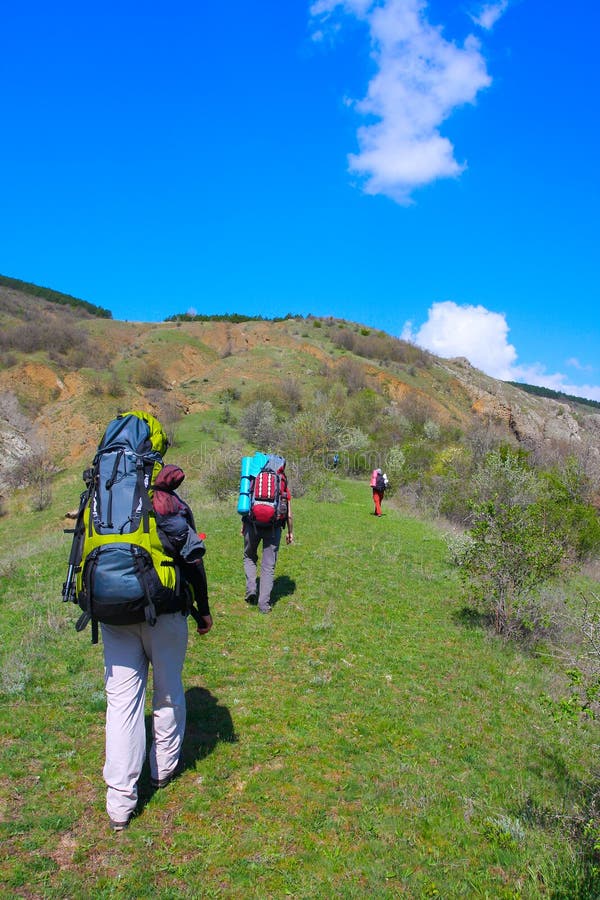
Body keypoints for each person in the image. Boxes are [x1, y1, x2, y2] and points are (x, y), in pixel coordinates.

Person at [102, 463, 212, 832]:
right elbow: (192, 559)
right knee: (166, 691)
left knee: (121, 704)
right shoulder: (166, 502)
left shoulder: (104, 500)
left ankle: (119, 802)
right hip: (164, 613)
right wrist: (204, 611)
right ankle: (162, 769)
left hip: (114, 615)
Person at [241, 466, 293, 614]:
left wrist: (243, 524)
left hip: (252, 524)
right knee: (268, 565)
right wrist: (290, 532)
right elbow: (289, 514)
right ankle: (264, 605)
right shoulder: (281, 481)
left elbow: (247, 502)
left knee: (249, 556)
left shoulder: (255, 477)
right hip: (274, 527)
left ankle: (251, 589)